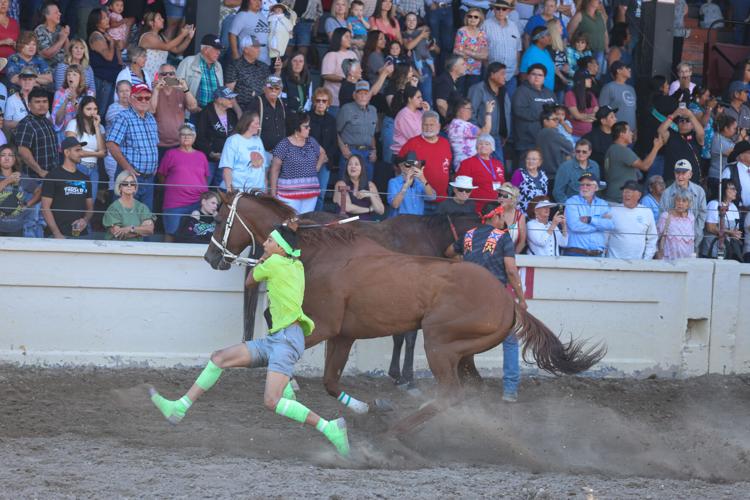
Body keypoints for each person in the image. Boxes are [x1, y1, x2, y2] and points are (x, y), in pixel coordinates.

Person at [149, 223, 351, 456]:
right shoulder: (295, 264)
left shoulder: (275, 263)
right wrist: (275, 246)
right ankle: (180, 407)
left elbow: (249, 281)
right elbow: (283, 253)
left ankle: (330, 428)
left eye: (270, 242)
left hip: (285, 341)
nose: (264, 244)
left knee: (271, 401)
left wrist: (263, 258)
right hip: (279, 339)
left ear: (281, 249)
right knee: (219, 358)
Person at [444, 202, 526, 402]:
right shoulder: (503, 237)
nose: (504, 221)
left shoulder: (468, 235)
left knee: (459, 341)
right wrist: (521, 299)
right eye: (502, 217)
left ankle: (458, 386)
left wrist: (462, 262)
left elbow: (448, 253)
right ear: (496, 216)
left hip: (467, 299)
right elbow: (511, 270)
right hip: (494, 298)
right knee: (510, 340)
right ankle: (509, 390)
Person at [106, 83, 159, 210]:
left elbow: (154, 144)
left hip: (149, 178)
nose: (144, 101)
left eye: (147, 98)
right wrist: (127, 168)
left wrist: (154, 165)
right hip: (130, 177)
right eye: (140, 98)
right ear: (131, 99)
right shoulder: (123, 117)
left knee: (145, 220)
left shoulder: (151, 118)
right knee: (124, 220)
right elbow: (111, 143)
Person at [157, 124, 209, 241]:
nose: (186, 137)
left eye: (189, 135)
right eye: (183, 134)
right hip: (175, 202)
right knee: (171, 233)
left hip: (197, 202)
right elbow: (161, 175)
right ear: (178, 137)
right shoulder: (171, 154)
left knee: (196, 234)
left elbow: (204, 178)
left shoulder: (201, 156)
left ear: (194, 137)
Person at [270, 112, 326, 214]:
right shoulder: (284, 144)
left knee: (305, 225)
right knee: (288, 224)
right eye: (306, 126)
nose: (309, 128)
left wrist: (317, 168)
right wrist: (273, 193)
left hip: (310, 193)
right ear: (296, 128)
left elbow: (323, 153)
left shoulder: (311, 141)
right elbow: (275, 169)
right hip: (288, 194)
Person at [398, 111, 452, 213]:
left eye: (431, 125)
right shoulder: (412, 143)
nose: (428, 128)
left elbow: (447, 167)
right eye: (425, 125)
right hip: (420, 201)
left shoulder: (445, 143)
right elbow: (399, 165)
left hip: (442, 200)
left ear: (439, 126)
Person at [41, 137, 93, 239]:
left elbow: (90, 207)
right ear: (67, 152)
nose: (81, 153)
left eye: (81, 150)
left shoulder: (85, 178)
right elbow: (45, 207)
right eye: (77, 150)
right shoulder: (53, 176)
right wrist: (56, 233)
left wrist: (85, 220)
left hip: (80, 235)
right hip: (57, 235)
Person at [603, 122, 664, 203]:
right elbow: (645, 166)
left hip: (615, 198)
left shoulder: (612, 149)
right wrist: (656, 147)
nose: (632, 133)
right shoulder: (621, 150)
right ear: (622, 134)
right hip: (619, 200)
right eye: (629, 131)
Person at [150, 64, 200, 157]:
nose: (168, 76)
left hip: (179, 143)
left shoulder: (181, 91)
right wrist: (156, 90)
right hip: (157, 144)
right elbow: (151, 111)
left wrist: (186, 89)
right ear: (159, 76)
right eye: (164, 74)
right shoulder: (154, 92)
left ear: (175, 76)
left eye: (171, 74)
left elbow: (193, 107)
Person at [195, 86, 240, 187]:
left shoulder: (231, 113)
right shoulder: (206, 113)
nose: (232, 100)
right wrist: (210, 153)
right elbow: (200, 137)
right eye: (229, 98)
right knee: (204, 186)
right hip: (209, 159)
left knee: (220, 188)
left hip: (226, 159)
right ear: (219, 99)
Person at [659, 159, 707, 253]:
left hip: (693, 241)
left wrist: (695, 235)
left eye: (684, 173)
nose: (680, 176)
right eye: (677, 173)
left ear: (690, 175)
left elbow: (702, 215)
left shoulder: (699, 191)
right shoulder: (667, 193)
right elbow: (662, 218)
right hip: (671, 243)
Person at [467, 62, 512, 163]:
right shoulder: (478, 89)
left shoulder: (504, 91)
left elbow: (507, 114)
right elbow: (471, 112)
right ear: (492, 75)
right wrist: (478, 133)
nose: (505, 76)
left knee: (498, 170)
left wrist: (505, 134)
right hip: (483, 138)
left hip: (499, 138)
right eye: (502, 73)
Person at [65, 96, 105, 201]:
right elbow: (73, 151)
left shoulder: (100, 127)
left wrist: (97, 127)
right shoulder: (73, 124)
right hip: (78, 167)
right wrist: (97, 154)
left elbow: (103, 151)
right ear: (82, 109)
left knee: (91, 201)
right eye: (88, 109)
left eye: (95, 109)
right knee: (76, 200)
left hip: (94, 169)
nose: (92, 112)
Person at [563, 172, 613, 256]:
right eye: (582, 185)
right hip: (576, 254)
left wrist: (590, 220)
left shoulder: (603, 203)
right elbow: (575, 226)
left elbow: (610, 225)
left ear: (596, 187)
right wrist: (599, 226)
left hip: (598, 255)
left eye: (588, 185)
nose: (584, 187)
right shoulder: (571, 202)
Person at [512, 63, 556, 158]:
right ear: (528, 76)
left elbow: (556, 111)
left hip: (547, 140)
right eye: (533, 74)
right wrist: (544, 116)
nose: (537, 77)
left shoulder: (549, 93)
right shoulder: (521, 91)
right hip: (527, 142)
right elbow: (519, 111)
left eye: (540, 75)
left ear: (544, 77)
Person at [337, 80, 378, 181]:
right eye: (360, 93)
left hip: (367, 153)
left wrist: (374, 150)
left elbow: (372, 134)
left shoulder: (373, 110)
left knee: (366, 187)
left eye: (366, 93)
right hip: (351, 151)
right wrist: (342, 148)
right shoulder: (346, 109)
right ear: (354, 95)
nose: (363, 96)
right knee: (346, 186)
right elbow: (335, 131)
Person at [607, 180, 658, 259]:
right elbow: (605, 237)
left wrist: (646, 260)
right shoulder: (612, 211)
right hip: (614, 262)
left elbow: (652, 239)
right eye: (625, 191)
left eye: (630, 192)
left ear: (639, 195)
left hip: (637, 264)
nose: (627, 194)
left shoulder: (647, 212)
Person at [456, 134, 506, 214]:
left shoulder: (498, 164)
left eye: (487, 144)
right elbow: (460, 186)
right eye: (480, 143)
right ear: (476, 147)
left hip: (496, 207)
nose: (483, 146)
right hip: (476, 208)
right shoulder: (467, 163)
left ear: (492, 148)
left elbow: (502, 184)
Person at [219, 112, 269, 193]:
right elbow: (227, 168)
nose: (259, 126)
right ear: (247, 123)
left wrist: (265, 189)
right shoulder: (233, 140)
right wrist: (230, 191)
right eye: (256, 123)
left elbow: (263, 168)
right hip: (238, 191)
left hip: (257, 192)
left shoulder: (258, 140)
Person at [656, 106, 705, 185]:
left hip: (692, 180)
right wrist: (674, 114)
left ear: (692, 125)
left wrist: (690, 115)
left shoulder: (696, 136)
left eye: (687, 121)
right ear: (677, 124)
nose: (684, 122)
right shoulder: (671, 135)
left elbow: (701, 133)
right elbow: (660, 131)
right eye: (681, 120)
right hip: (672, 180)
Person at [0, 144, 41, 237]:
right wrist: (8, 180)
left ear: (14, 159)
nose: (7, 158)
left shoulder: (22, 177)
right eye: (3, 155)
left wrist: (27, 204)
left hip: (17, 227)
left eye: (10, 155)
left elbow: (39, 191)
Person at [176, 34, 226, 111]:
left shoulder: (218, 66)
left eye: (219, 50)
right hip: (192, 112)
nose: (219, 53)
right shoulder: (188, 62)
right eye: (216, 49)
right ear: (206, 49)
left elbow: (221, 91)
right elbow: (176, 84)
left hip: (213, 114)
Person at [102, 171, 155, 241]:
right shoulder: (113, 208)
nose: (129, 185)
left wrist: (130, 228)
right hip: (117, 248)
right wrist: (140, 231)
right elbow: (118, 234)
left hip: (137, 248)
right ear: (119, 187)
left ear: (135, 187)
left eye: (132, 183)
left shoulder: (142, 207)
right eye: (125, 183)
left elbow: (149, 230)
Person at [484, 1, 522, 98]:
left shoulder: (514, 26)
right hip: (492, 73)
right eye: (498, 8)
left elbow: (518, 48)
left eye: (504, 9)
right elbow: (482, 48)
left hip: (511, 73)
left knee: (507, 105)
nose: (501, 11)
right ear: (494, 9)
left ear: (509, 11)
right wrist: (487, 68)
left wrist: (517, 67)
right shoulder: (486, 25)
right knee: (491, 104)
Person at [225, 35, 274, 110]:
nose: (259, 50)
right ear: (245, 49)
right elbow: (228, 91)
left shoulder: (264, 66)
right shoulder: (234, 66)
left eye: (259, 47)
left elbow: (271, 88)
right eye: (255, 47)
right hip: (243, 110)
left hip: (262, 108)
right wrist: (238, 112)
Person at [87, 8, 121, 115]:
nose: (108, 20)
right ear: (97, 22)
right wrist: (111, 43)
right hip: (103, 80)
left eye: (107, 17)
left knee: (108, 111)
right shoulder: (96, 36)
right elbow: (109, 57)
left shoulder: (105, 34)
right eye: (104, 18)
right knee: (101, 111)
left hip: (110, 78)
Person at [309, 87, 337, 210]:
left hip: (325, 162)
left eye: (324, 101)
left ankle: (317, 220)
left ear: (328, 103)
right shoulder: (306, 118)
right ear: (314, 102)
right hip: (308, 161)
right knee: (307, 193)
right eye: (318, 100)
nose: (321, 103)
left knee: (320, 194)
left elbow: (334, 142)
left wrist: (325, 157)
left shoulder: (331, 120)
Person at [700, 180, 743, 260]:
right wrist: (730, 232)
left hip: (728, 250)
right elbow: (710, 227)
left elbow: (735, 229)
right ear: (724, 190)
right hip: (712, 248)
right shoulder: (714, 204)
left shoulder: (734, 207)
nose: (735, 191)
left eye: (735, 189)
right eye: (732, 189)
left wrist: (736, 234)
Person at [333, 154, 384, 219]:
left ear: (362, 167)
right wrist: (369, 209)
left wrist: (371, 195)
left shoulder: (370, 185)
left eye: (356, 164)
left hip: (365, 225)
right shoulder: (341, 184)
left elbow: (381, 211)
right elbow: (347, 207)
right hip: (345, 225)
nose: (353, 166)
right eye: (350, 164)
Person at [52, 64, 95, 141]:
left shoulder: (89, 94)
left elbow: (86, 116)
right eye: (68, 74)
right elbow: (57, 121)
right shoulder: (59, 93)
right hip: (64, 137)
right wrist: (65, 102)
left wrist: (73, 100)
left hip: (83, 135)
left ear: (81, 77)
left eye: (74, 74)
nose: (71, 77)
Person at [387, 151, 436, 216]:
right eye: (408, 165)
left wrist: (423, 179)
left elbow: (432, 197)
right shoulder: (394, 182)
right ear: (402, 167)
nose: (412, 168)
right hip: (399, 223)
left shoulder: (420, 182)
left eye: (414, 165)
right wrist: (406, 185)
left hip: (417, 222)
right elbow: (395, 205)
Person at [246, 75, 287, 151]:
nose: (273, 90)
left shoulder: (282, 103)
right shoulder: (256, 103)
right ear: (264, 88)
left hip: (280, 152)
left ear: (280, 90)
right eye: (270, 88)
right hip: (260, 151)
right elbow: (247, 127)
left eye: (277, 88)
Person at [321, 28, 358, 111]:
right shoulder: (331, 55)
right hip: (334, 100)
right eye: (347, 37)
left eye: (350, 37)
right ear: (338, 38)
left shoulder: (352, 54)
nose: (350, 39)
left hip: (350, 99)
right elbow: (326, 75)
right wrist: (345, 80)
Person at [553, 138, 600, 203]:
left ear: (590, 152)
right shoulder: (565, 167)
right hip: (572, 206)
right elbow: (558, 192)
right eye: (578, 151)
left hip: (590, 206)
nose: (581, 154)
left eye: (584, 152)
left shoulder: (595, 166)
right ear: (574, 151)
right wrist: (569, 206)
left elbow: (596, 189)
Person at [453, 8, 488, 93]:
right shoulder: (461, 31)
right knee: (459, 93)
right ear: (466, 18)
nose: (473, 19)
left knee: (472, 93)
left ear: (480, 19)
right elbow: (456, 51)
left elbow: (484, 55)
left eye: (476, 17)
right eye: (470, 16)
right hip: (461, 68)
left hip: (475, 70)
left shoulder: (482, 33)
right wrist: (476, 54)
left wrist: (467, 51)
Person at [567, 0, 607, 74]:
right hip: (585, 53)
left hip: (600, 51)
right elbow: (569, 33)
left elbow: (605, 33)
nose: (599, 1)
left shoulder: (600, 15)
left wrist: (607, 49)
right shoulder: (580, 15)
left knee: (597, 76)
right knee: (583, 74)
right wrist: (576, 48)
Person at [536, 107, 574, 186]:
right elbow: (570, 146)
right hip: (555, 174)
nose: (557, 121)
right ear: (545, 121)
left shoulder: (541, 133)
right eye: (554, 119)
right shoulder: (551, 132)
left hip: (546, 174)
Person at [598, 61, 637, 133]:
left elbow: (633, 111)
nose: (630, 70)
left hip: (630, 132)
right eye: (627, 68)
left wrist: (635, 129)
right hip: (616, 132)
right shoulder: (609, 87)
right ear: (618, 70)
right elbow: (602, 111)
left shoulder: (631, 89)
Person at [656, 188, 695, 260]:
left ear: (689, 204)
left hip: (687, 262)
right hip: (668, 261)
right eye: (678, 200)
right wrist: (657, 253)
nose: (680, 203)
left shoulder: (691, 217)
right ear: (674, 202)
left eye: (684, 201)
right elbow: (655, 237)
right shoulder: (666, 216)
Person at [709, 115, 741, 199]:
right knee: (718, 201)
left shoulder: (726, 139)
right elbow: (733, 152)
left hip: (723, 176)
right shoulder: (717, 138)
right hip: (716, 177)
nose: (736, 131)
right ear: (726, 128)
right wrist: (741, 139)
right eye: (734, 128)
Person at [229, 0, 271, 64]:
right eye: (254, 0)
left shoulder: (262, 15)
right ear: (247, 1)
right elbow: (232, 34)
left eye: (260, 0)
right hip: (249, 61)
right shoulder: (242, 15)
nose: (258, 3)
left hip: (265, 61)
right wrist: (235, 54)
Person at [392, 86, 429, 156]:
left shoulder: (419, 112)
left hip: (415, 152)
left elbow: (427, 129)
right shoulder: (404, 115)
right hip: (403, 154)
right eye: (418, 97)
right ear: (409, 99)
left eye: (421, 97)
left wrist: (426, 112)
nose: (421, 99)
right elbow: (415, 136)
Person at [34, 2, 70, 71]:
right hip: (47, 70)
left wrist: (66, 36)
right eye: (56, 12)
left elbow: (68, 53)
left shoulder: (60, 29)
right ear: (47, 15)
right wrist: (62, 39)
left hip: (63, 69)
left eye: (59, 12)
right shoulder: (40, 30)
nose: (60, 14)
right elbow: (47, 54)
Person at [511, 147, 549, 213]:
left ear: (539, 162)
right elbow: (512, 195)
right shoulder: (519, 173)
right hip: (522, 214)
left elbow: (544, 197)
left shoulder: (543, 176)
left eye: (534, 159)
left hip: (539, 214)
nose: (530, 161)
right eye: (528, 159)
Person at [520, 26, 555, 92]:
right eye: (548, 35)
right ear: (539, 38)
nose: (550, 37)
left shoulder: (545, 51)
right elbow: (524, 76)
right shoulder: (531, 53)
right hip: (536, 95)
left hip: (547, 93)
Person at [565, 70, 598, 139]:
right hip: (574, 135)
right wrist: (588, 117)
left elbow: (596, 113)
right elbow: (577, 115)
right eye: (587, 78)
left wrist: (582, 117)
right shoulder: (570, 94)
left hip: (588, 135)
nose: (590, 80)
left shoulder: (590, 95)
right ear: (580, 80)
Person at [432, 54, 466, 120]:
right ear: (454, 67)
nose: (466, 66)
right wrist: (451, 121)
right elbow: (440, 104)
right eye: (463, 64)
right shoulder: (444, 81)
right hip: (444, 126)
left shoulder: (451, 80)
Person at [5, 66, 40, 130]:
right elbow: (6, 124)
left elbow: (47, 118)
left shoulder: (40, 98)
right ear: (19, 81)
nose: (27, 82)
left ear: (35, 81)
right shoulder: (11, 100)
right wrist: (26, 123)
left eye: (30, 79)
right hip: (20, 136)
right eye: (24, 79)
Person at [582, 105, 616, 170]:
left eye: (614, 116)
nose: (615, 119)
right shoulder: (590, 137)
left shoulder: (617, 135)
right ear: (603, 121)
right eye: (612, 117)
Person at [497, 182, 527, 254]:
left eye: (505, 196)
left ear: (513, 198)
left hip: (511, 255)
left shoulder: (520, 216)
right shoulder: (494, 213)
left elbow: (522, 242)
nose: (501, 198)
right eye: (500, 195)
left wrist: (512, 257)